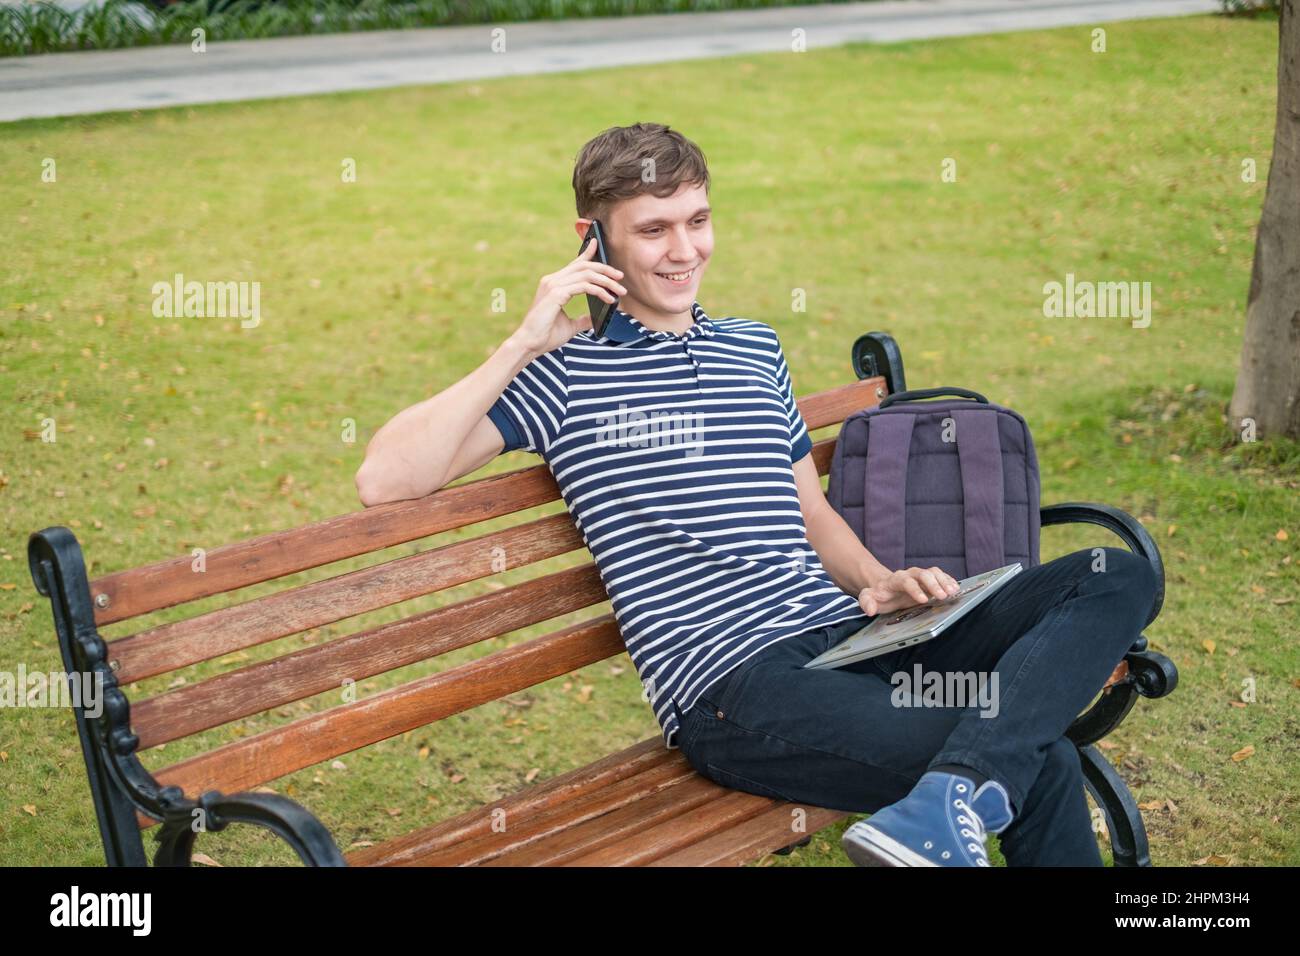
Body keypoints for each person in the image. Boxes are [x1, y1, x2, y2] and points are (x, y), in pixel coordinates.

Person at [356, 122, 1158, 867]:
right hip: (737, 689)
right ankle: (961, 791)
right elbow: (386, 478)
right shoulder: (564, 375)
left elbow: (806, 510)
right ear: (591, 239)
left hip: (855, 639)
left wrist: (877, 583)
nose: (683, 250)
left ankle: (952, 794)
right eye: (652, 229)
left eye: (696, 221)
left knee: (1112, 573)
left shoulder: (752, 347)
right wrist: (522, 339)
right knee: (1040, 756)